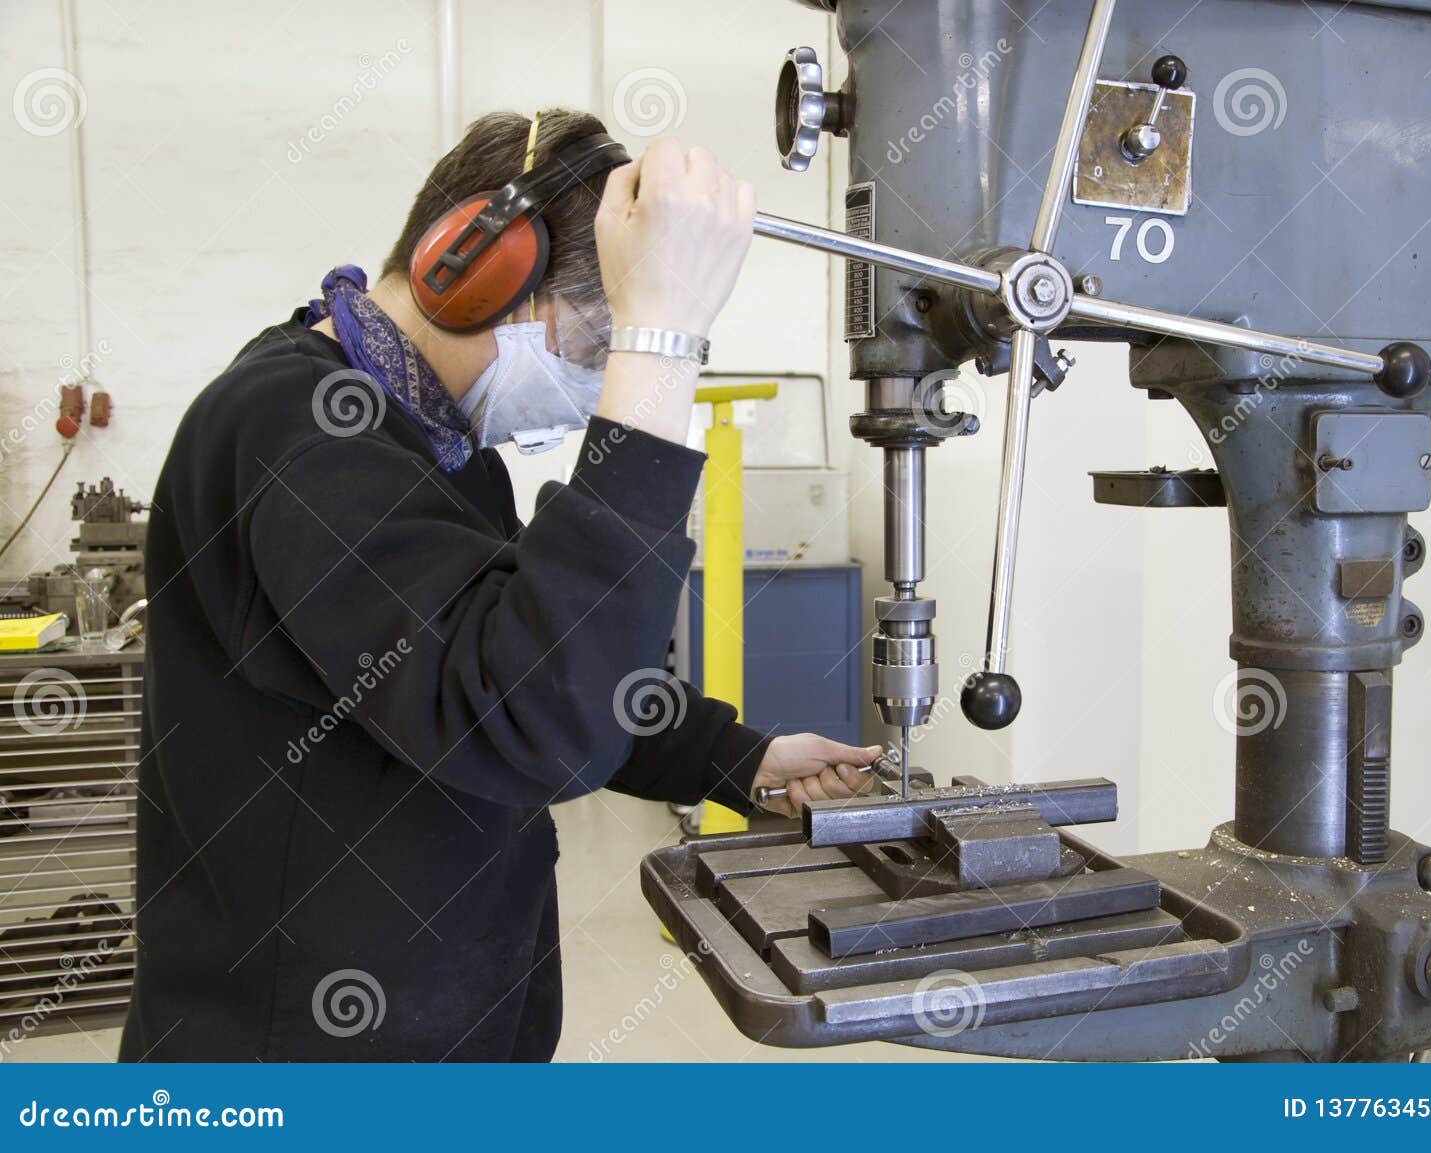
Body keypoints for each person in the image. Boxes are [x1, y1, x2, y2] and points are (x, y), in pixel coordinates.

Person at [119, 109, 879, 1061]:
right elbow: (531, 722)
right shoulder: (295, 429)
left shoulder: (432, 445)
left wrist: (734, 756)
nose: (601, 373)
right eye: (601, 344)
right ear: (470, 272)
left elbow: (518, 654)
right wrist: (662, 347)